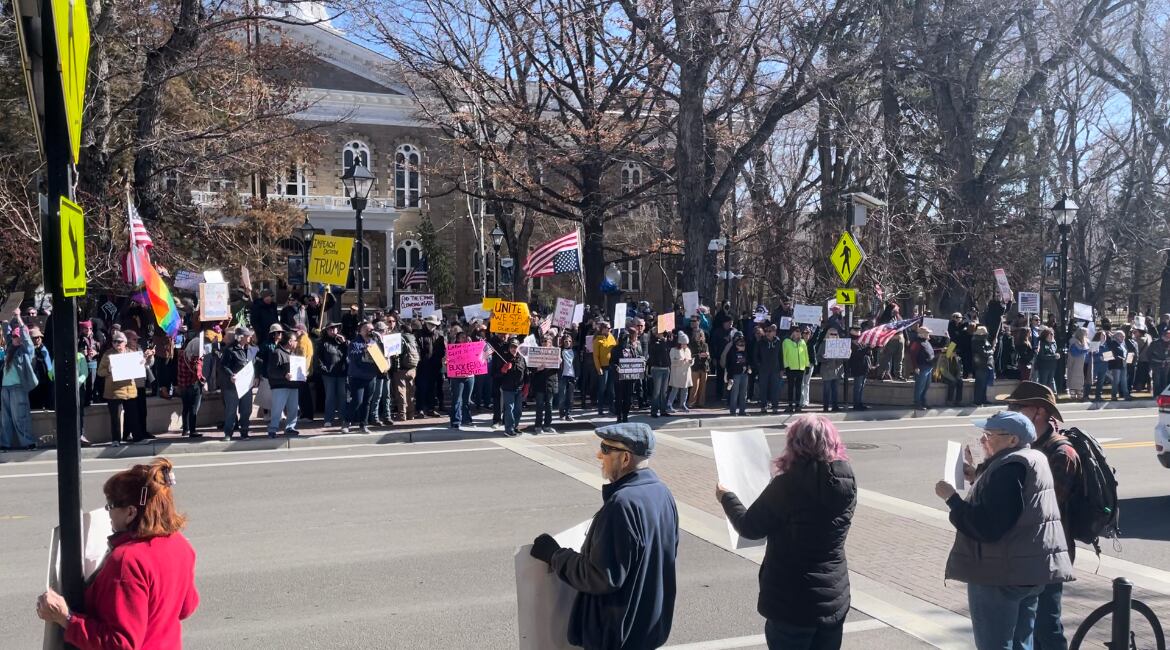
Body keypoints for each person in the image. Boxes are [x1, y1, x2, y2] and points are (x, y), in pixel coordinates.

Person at [528, 423, 678, 650]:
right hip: (646, 630)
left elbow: (601, 577)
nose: (599, 455)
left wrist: (556, 556)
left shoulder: (622, 504)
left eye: (606, 449)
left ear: (625, 458)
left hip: (618, 635)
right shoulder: (662, 493)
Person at [935, 411, 1074, 650]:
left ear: (1012, 440)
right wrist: (977, 475)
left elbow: (987, 527)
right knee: (1022, 642)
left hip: (1001, 574)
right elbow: (1015, 501)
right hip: (1029, 570)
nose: (982, 440)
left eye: (989, 435)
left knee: (996, 645)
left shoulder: (1008, 469)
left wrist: (952, 500)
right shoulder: (1033, 458)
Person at [716, 415, 856, 649]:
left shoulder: (787, 484)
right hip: (833, 597)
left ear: (795, 443)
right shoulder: (847, 480)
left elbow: (750, 527)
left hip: (792, 600)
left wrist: (727, 497)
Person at [36, 458, 199, 648]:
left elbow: (120, 644)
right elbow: (186, 608)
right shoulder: (179, 543)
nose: (109, 513)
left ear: (130, 512)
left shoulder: (127, 560)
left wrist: (66, 618)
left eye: (110, 506)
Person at [1002, 382, 1082, 650]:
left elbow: (1044, 508)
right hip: (1025, 552)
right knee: (1024, 627)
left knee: (1047, 629)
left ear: (1036, 412)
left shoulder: (1062, 454)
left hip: (1048, 555)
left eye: (1015, 407)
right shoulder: (1025, 445)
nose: (1009, 410)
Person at [1, 310, 38, 450]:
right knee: (5, 419)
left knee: (20, 417)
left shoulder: (25, 351)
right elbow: (6, 331)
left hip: (18, 387)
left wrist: (18, 317)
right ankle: (4, 444)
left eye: (18, 336)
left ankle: (28, 442)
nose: (16, 338)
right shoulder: (10, 348)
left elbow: (27, 338)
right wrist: (5, 320)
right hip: (5, 388)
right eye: (14, 336)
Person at [97, 332, 139, 447]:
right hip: (113, 392)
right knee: (115, 417)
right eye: (114, 341)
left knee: (132, 415)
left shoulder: (131, 353)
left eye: (119, 341)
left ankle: (136, 437)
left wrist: (147, 359)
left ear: (125, 343)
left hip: (129, 390)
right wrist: (109, 370)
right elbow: (100, 372)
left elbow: (142, 366)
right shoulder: (108, 354)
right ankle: (116, 439)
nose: (116, 344)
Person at [343, 323, 380, 434]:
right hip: (357, 376)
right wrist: (364, 349)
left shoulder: (374, 342)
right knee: (357, 401)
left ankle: (363, 425)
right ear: (361, 331)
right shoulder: (354, 343)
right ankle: (346, 422)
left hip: (370, 376)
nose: (370, 331)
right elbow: (352, 356)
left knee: (367, 402)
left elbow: (381, 356)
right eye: (367, 329)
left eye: (372, 329)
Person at [266, 331, 302, 438]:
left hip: (293, 386)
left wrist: (302, 375)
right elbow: (271, 371)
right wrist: (284, 375)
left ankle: (290, 427)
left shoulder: (293, 354)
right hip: (280, 386)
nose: (297, 343)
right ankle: (272, 429)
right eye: (295, 341)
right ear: (290, 342)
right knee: (277, 409)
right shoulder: (277, 353)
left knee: (293, 409)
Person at [220, 327, 255, 439]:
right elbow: (223, 366)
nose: (250, 337)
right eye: (247, 335)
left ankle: (244, 432)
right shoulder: (230, 350)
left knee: (246, 410)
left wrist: (257, 376)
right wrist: (231, 375)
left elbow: (255, 363)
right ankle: (228, 433)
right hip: (232, 387)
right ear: (240, 337)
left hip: (246, 386)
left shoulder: (251, 349)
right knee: (231, 411)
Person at [316, 323, 348, 427]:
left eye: (335, 328)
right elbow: (318, 357)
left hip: (342, 373)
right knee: (330, 396)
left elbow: (349, 354)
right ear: (327, 330)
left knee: (342, 396)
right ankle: (328, 419)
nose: (333, 330)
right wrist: (323, 368)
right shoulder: (322, 342)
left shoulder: (342, 341)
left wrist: (345, 343)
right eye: (330, 329)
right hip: (328, 374)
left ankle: (343, 418)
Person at [176, 337, 205, 438]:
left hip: (183, 384)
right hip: (194, 385)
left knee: (185, 407)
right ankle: (192, 431)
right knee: (193, 408)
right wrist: (203, 381)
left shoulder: (181, 355)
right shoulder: (197, 358)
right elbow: (198, 374)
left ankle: (185, 430)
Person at [497, 337, 527, 436]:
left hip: (519, 388)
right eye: (512, 347)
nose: (514, 349)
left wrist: (526, 385)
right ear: (509, 348)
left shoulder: (522, 358)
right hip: (508, 388)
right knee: (509, 409)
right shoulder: (504, 358)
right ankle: (509, 429)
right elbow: (496, 374)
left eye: (516, 347)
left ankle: (515, 426)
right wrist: (503, 370)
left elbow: (526, 373)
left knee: (518, 410)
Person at [448, 330, 477, 430]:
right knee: (457, 399)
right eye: (462, 337)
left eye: (466, 337)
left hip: (470, 377)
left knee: (467, 399)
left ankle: (467, 419)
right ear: (458, 339)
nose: (464, 339)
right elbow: (447, 361)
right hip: (457, 378)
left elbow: (480, 358)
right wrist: (446, 361)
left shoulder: (472, 349)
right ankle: (455, 421)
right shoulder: (453, 350)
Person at [816, 329, 844, 412]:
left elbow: (844, 359)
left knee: (835, 390)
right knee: (826, 390)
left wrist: (848, 354)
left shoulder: (840, 344)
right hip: (827, 371)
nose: (834, 336)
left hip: (837, 371)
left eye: (835, 334)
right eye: (832, 334)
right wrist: (824, 358)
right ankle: (825, 407)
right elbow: (818, 357)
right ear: (828, 334)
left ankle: (835, 406)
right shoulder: (824, 344)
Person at [593, 321, 617, 416]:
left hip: (612, 366)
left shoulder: (612, 337)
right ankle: (600, 408)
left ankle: (612, 407)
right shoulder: (597, 340)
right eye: (607, 327)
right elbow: (595, 356)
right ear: (602, 329)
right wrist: (599, 368)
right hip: (603, 367)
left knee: (611, 389)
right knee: (602, 388)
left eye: (610, 328)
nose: (609, 329)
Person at [782, 327, 809, 413]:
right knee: (790, 387)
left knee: (798, 387)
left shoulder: (802, 342)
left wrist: (807, 365)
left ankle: (797, 405)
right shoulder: (786, 342)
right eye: (797, 331)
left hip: (800, 368)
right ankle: (790, 405)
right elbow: (784, 354)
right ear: (792, 332)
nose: (799, 333)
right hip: (791, 368)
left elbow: (805, 354)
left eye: (799, 331)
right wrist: (786, 366)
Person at [723, 334, 750, 416]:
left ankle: (742, 411)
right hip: (735, 375)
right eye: (740, 344)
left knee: (743, 394)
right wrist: (730, 377)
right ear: (736, 345)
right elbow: (729, 366)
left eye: (743, 344)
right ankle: (733, 411)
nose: (742, 346)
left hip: (744, 374)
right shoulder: (731, 353)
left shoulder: (745, 353)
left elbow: (748, 361)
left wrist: (748, 367)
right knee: (734, 394)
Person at [647, 328, 672, 418]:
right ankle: (654, 411)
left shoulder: (665, 342)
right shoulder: (653, 343)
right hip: (657, 368)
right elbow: (656, 350)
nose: (662, 334)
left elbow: (670, 348)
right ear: (656, 334)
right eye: (660, 333)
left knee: (664, 391)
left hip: (666, 367)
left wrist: (669, 337)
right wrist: (662, 341)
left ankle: (663, 410)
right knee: (657, 391)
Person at [847, 326, 873, 411]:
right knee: (857, 387)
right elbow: (858, 353)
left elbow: (865, 352)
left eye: (859, 330)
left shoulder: (861, 341)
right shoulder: (851, 342)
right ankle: (856, 404)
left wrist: (869, 349)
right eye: (856, 330)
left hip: (864, 367)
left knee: (861, 387)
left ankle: (860, 403)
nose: (858, 332)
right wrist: (867, 348)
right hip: (857, 367)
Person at [666, 332, 693, 414]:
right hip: (677, 372)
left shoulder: (688, 350)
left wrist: (691, 362)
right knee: (675, 389)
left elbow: (690, 360)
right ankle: (669, 404)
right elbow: (672, 361)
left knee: (685, 389)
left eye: (686, 344)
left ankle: (683, 404)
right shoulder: (674, 350)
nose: (685, 345)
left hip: (686, 372)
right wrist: (681, 361)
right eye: (684, 343)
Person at [910, 326, 935, 410]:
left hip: (928, 366)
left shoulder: (926, 341)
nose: (928, 334)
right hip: (921, 367)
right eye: (927, 333)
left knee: (926, 386)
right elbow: (913, 355)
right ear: (922, 334)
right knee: (920, 386)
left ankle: (923, 402)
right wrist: (915, 367)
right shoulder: (917, 342)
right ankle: (917, 403)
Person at [557, 333, 580, 421]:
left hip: (572, 376)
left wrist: (577, 376)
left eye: (569, 341)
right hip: (562, 376)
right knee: (562, 397)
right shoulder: (559, 351)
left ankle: (568, 414)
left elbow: (577, 365)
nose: (567, 343)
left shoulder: (574, 352)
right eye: (566, 341)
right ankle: (561, 414)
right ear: (563, 342)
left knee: (570, 398)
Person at [1034, 328, 1061, 395]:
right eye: (1050, 334)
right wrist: (1053, 356)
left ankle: (1048, 396)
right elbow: (1042, 356)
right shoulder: (1042, 343)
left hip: (1052, 366)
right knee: (1043, 383)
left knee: (1049, 383)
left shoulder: (1054, 344)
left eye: (1053, 334)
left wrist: (1057, 355)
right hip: (1044, 367)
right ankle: (1041, 396)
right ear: (1046, 335)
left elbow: (1055, 352)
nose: (1052, 336)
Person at [687, 330, 710, 408]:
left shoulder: (705, 345)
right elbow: (690, 355)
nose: (699, 337)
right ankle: (691, 402)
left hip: (704, 367)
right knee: (694, 385)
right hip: (695, 366)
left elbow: (708, 356)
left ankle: (701, 403)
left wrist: (707, 355)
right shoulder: (692, 345)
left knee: (703, 386)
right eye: (697, 335)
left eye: (700, 335)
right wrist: (698, 355)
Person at [937, 341, 964, 406]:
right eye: (953, 351)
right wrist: (952, 378)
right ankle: (949, 401)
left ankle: (958, 401)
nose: (954, 353)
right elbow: (943, 371)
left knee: (960, 382)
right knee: (952, 383)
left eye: (955, 352)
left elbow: (960, 369)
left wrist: (958, 377)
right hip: (944, 377)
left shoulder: (957, 358)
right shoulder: (944, 358)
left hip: (954, 376)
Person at [1066, 327, 1089, 401]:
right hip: (1074, 364)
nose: (1087, 335)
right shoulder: (1073, 341)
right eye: (1085, 333)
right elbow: (1075, 353)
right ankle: (1073, 395)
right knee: (1074, 378)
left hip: (1082, 364)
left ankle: (1079, 394)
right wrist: (1086, 350)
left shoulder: (1085, 341)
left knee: (1080, 379)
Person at [1149, 326, 1170, 396]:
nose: (1168, 337)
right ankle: (1156, 395)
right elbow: (1149, 353)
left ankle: (1164, 395)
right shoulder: (1155, 343)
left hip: (1166, 365)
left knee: (1164, 380)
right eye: (1167, 335)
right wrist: (1151, 364)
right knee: (1157, 380)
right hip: (1156, 364)